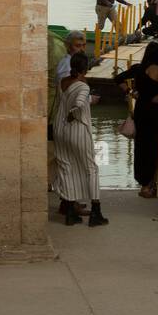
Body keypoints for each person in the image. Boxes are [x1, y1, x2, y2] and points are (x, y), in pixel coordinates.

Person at [52, 52, 108, 227]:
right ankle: (96, 212)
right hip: (77, 130)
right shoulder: (82, 85)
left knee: (66, 166)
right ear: (86, 68)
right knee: (91, 168)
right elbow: (79, 102)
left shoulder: (63, 82)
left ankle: (70, 212)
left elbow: (67, 99)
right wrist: (74, 112)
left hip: (60, 130)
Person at [114, 42, 158, 197]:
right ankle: (151, 184)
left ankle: (143, 183)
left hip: (141, 109)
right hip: (155, 110)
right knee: (154, 145)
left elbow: (118, 78)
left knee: (141, 145)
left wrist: (131, 91)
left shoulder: (138, 69)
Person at [51, 30, 90, 216]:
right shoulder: (66, 66)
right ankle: (68, 202)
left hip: (68, 121)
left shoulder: (73, 66)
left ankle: (69, 202)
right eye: (77, 45)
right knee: (71, 164)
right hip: (68, 122)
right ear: (68, 46)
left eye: (83, 45)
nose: (81, 49)